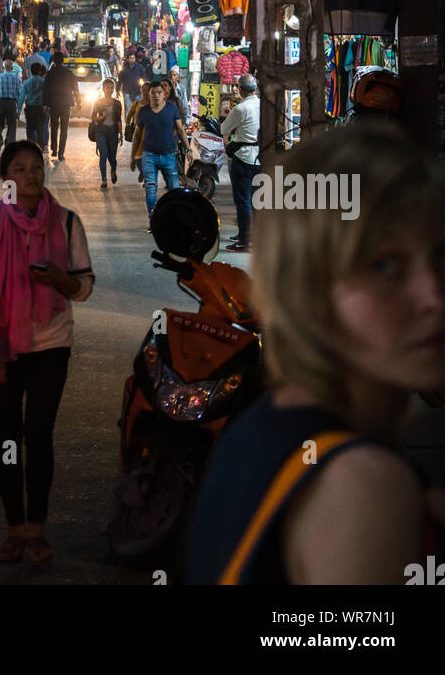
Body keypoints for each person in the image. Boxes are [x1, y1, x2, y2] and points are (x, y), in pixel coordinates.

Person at [185, 124, 445, 585]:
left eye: (440, 257)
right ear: (309, 288)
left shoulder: (261, 429)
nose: (433, 296)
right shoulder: (364, 484)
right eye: (385, 266)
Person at [0, 140, 95, 564]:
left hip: (52, 344)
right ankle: (14, 529)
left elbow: (85, 287)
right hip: (1, 345)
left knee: (39, 436)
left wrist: (59, 280)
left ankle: (37, 529)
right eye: (19, 169)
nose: (30, 176)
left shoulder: (67, 224)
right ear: (6, 178)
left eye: (36, 168)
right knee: (7, 438)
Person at [129, 80, 190, 216]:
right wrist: (132, 156)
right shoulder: (143, 111)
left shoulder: (172, 109)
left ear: (164, 95)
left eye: (159, 92)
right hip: (149, 156)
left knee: (174, 189)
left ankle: (174, 217)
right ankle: (154, 219)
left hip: (169, 156)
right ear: (149, 95)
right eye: (153, 93)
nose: (156, 95)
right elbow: (137, 135)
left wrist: (188, 150)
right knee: (151, 189)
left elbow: (180, 130)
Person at [220, 72, 260, 251]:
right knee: (256, 200)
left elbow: (224, 128)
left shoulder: (240, 109)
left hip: (243, 157)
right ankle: (251, 235)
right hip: (260, 157)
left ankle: (245, 239)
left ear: (241, 89)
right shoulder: (263, 105)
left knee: (242, 200)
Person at [41, 52, 80, 162]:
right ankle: (61, 153)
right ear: (63, 60)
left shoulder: (50, 73)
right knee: (64, 129)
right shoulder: (68, 73)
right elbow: (75, 87)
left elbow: (46, 89)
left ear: (54, 61)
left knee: (54, 126)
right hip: (66, 104)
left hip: (53, 103)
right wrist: (78, 101)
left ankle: (54, 149)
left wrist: (44, 103)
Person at [90, 78, 123, 189]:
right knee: (103, 155)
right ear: (103, 89)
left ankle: (113, 170)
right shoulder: (98, 102)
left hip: (113, 132)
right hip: (101, 132)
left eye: (112, 87)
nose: (110, 90)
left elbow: (119, 120)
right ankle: (104, 179)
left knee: (112, 157)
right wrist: (102, 117)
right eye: (107, 87)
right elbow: (93, 117)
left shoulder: (117, 103)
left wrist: (121, 135)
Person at [0, 59, 21, 153]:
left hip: (0, 102)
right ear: (12, 68)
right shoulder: (16, 79)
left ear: (3, 67)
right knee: (12, 125)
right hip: (12, 103)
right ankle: (9, 145)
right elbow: (21, 92)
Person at [19, 61, 49, 150]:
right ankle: (41, 147)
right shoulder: (44, 82)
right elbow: (48, 95)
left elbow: (22, 97)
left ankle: (31, 147)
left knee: (30, 128)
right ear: (40, 71)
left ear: (31, 71)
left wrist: (18, 110)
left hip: (30, 108)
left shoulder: (27, 83)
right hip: (41, 108)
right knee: (41, 128)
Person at [118, 51, 147, 117]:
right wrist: (117, 90)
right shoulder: (124, 69)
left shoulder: (139, 67)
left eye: (133, 58)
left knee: (137, 109)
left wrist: (144, 87)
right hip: (127, 92)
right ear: (127, 59)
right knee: (128, 109)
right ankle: (128, 125)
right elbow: (120, 80)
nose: (132, 59)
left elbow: (144, 77)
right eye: (130, 58)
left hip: (137, 91)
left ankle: (136, 124)